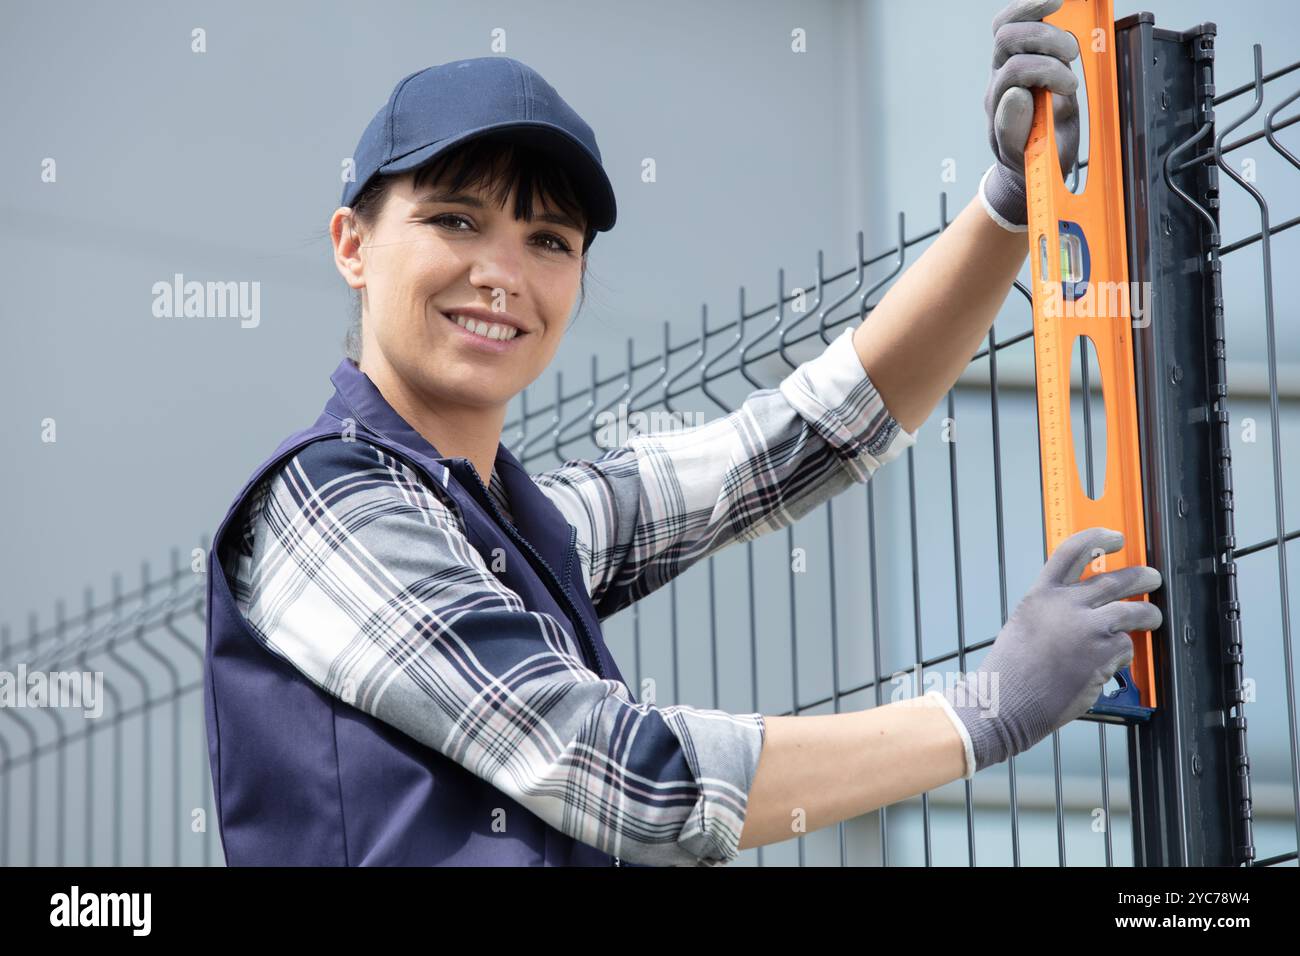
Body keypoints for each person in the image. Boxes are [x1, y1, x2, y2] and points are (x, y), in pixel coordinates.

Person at [202, 0, 1162, 867]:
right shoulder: (327, 505)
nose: (503, 275)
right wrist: (983, 713)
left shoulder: (517, 524)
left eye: (548, 241)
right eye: (456, 220)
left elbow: (798, 442)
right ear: (353, 245)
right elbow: (636, 780)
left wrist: (1010, 199)